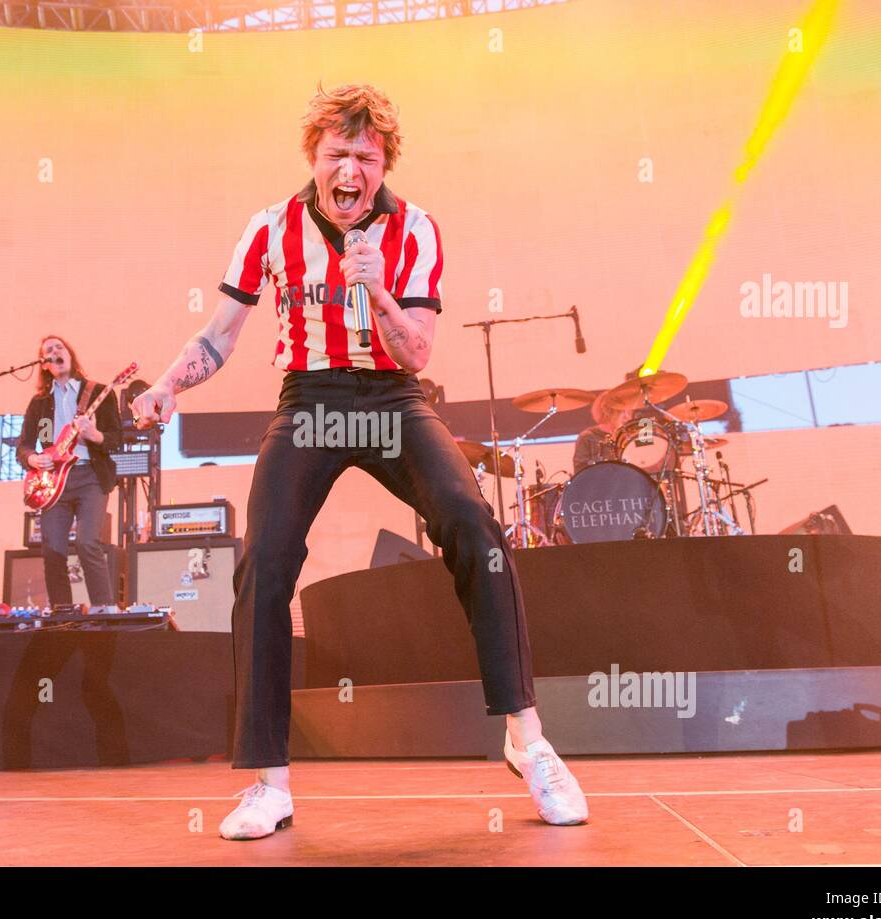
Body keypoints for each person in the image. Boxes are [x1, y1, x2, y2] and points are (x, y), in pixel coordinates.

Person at [131, 83, 588, 839]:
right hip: (309, 401)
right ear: (314, 157)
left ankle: (527, 740)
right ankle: (269, 783)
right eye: (337, 155)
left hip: (391, 398)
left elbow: (417, 351)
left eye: (366, 159)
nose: (350, 172)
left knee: (472, 523)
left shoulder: (417, 229)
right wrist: (169, 385)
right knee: (264, 561)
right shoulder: (269, 227)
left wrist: (376, 291)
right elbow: (220, 333)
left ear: (384, 165)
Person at [16, 335, 122, 608]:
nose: (55, 352)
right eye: (49, 351)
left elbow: (117, 439)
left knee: (88, 543)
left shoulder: (99, 392)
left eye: (59, 347)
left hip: (90, 477)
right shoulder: (40, 403)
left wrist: (95, 435)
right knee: (52, 550)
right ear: (44, 364)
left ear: (70, 355)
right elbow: (25, 445)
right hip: (54, 483)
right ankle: (62, 615)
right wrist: (33, 458)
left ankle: (104, 611)